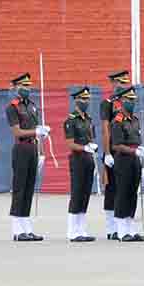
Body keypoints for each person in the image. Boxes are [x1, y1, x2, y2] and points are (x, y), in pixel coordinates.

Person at [5, 72, 45, 241]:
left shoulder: (32, 106)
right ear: (15, 88)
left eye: (28, 86)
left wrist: (41, 151)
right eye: (23, 86)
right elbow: (16, 131)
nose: (27, 89)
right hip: (21, 148)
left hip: (33, 148)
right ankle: (17, 229)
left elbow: (38, 131)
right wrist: (35, 131)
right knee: (20, 188)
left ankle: (26, 227)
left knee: (29, 188)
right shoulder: (12, 107)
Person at [110, 85, 144, 242]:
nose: (132, 103)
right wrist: (134, 151)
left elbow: (136, 141)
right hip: (123, 160)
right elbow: (116, 145)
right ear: (122, 101)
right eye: (129, 100)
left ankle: (131, 229)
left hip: (135, 159)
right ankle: (121, 230)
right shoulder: (117, 121)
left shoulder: (135, 120)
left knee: (133, 193)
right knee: (123, 194)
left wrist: (140, 151)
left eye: (133, 100)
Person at [64, 85, 98, 242]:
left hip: (88, 159)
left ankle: (82, 229)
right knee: (77, 193)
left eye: (88, 99)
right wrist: (84, 147)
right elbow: (70, 143)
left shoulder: (89, 120)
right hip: (77, 159)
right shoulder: (71, 120)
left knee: (85, 194)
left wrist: (91, 146)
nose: (86, 101)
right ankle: (72, 230)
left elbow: (91, 138)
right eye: (83, 99)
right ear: (76, 101)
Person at [100, 69, 130, 240]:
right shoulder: (108, 103)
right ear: (113, 83)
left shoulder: (128, 101)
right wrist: (107, 153)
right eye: (120, 83)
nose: (122, 86)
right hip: (113, 149)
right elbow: (105, 129)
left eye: (125, 83)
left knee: (123, 187)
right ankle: (111, 227)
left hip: (126, 149)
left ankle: (122, 224)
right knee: (112, 188)